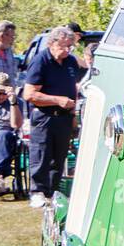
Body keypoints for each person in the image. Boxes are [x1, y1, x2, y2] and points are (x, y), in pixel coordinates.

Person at [21, 26, 83, 208]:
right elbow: (29, 94)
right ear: (53, 43)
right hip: (44, 116)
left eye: (70, 46)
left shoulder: (71, 62)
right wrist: (57, 100)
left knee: (60, 156)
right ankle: (37, 192)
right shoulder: (41, 61)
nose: (67, 50)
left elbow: (74, 90)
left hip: (64, 117)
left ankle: (53, 192)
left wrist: (72, 116)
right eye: (64, 46)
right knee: (41, 154)